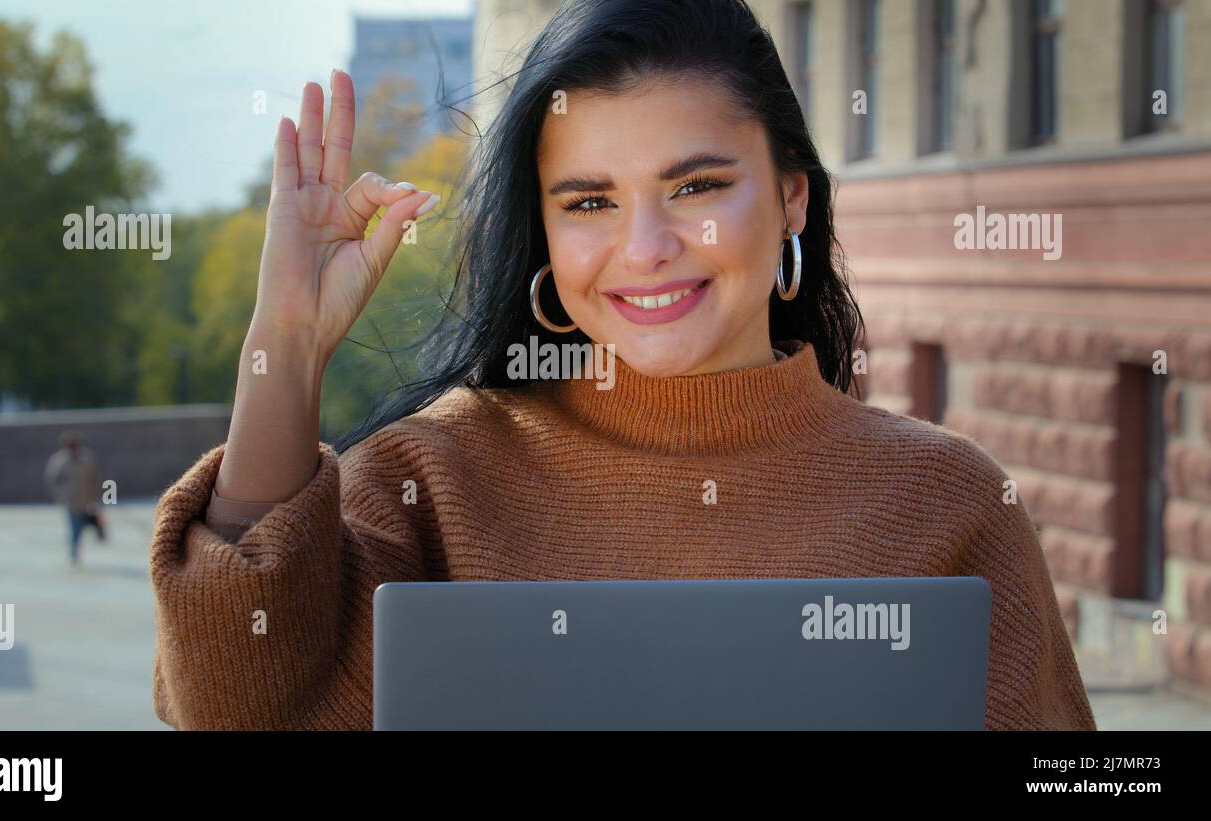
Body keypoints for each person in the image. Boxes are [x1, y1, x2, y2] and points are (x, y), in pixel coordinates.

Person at [149, 0, 1096, 730]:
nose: (644, 248)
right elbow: (240, 706)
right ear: (546, 231)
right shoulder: (431, 477)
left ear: (793, 196)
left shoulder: (949, 499)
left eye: (696, 186)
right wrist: (286, 339)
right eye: (589, 202)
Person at [45, 431, 104, 566]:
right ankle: (74, 552)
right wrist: (60, 495)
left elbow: (96, 477)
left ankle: (97, 536)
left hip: (88, 500)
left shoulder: (87, 458)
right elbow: (53, 480)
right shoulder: (59, 462)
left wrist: (100, 496)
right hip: (71, 502)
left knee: (91, 523)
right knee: (75, 528)